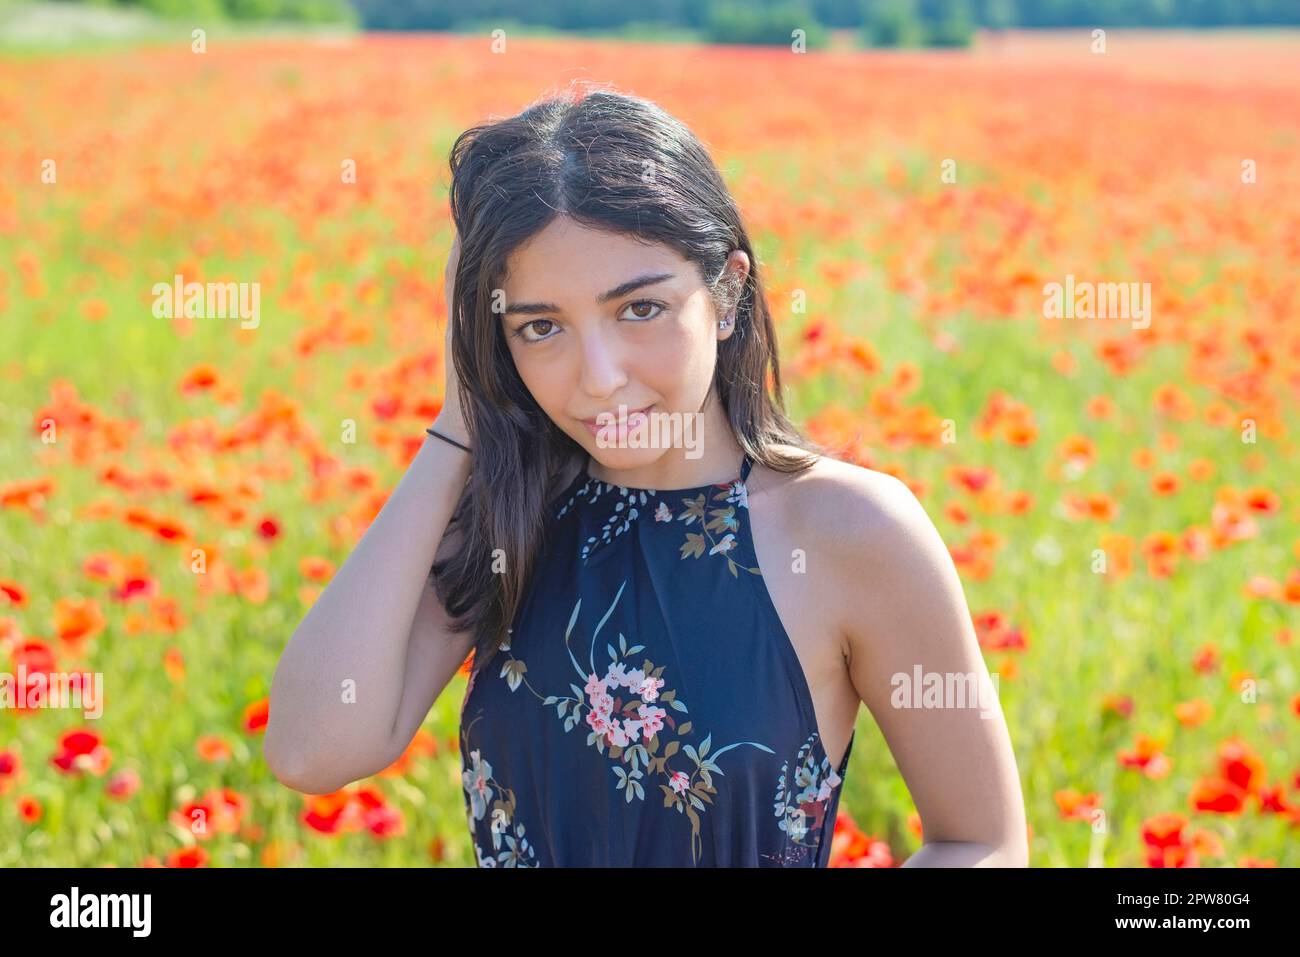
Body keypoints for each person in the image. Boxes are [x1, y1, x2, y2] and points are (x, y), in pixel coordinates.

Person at [265, 82, 1027, 868]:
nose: (598, 377)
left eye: (639, 310)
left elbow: (983, 842)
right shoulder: (508, 515)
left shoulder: (848, 533)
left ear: (727, 291)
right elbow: (309, 749)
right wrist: (460, 417)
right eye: (540, 326)